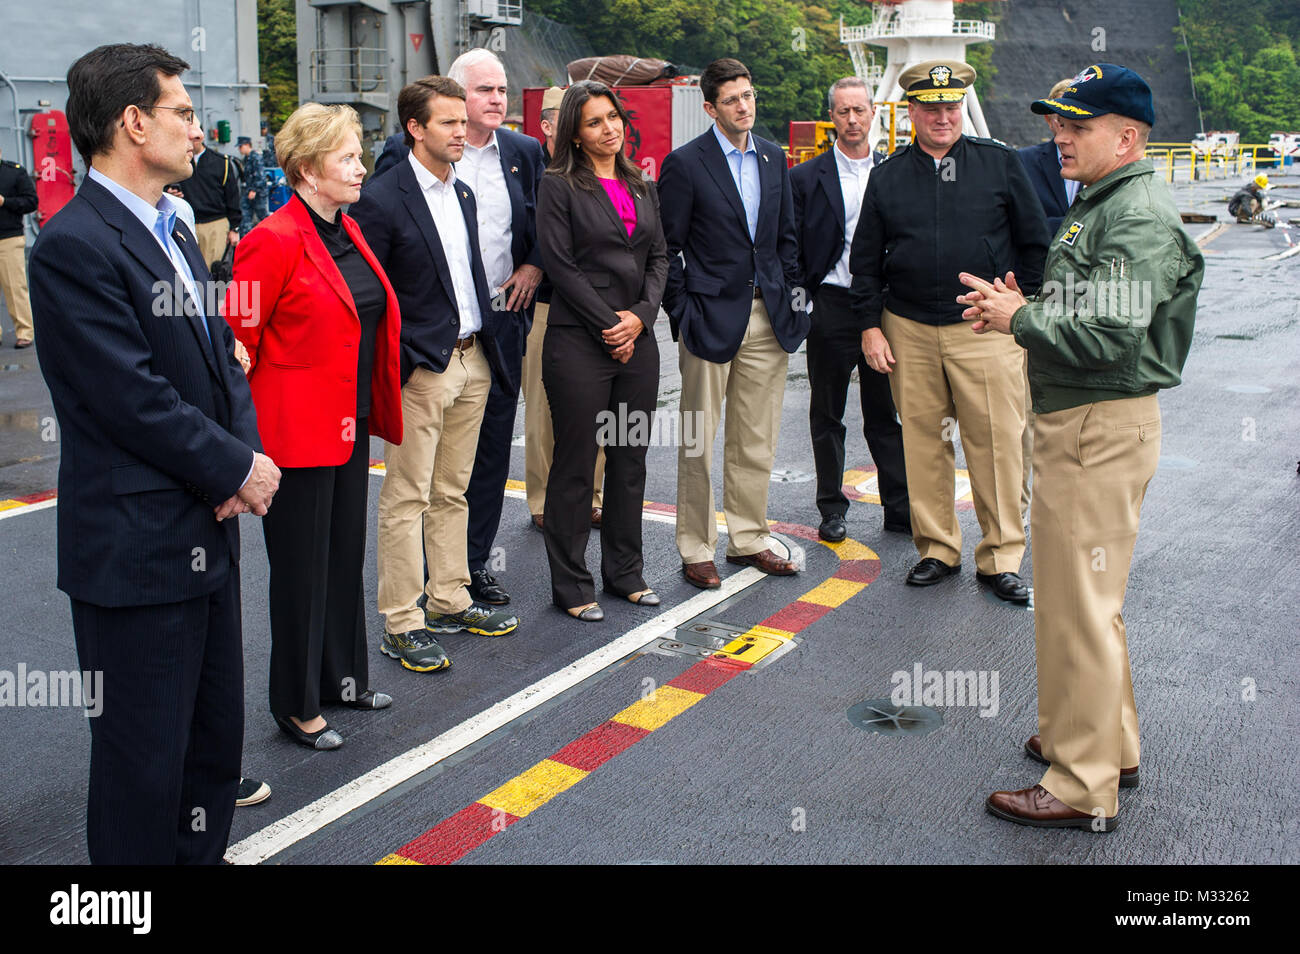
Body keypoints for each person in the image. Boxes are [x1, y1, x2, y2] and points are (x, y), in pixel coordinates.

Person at [27, 43, 279, 863]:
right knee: (142, 770)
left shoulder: (172, 227)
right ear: (134, 122)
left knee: (210, 757)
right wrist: (236, 468)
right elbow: (131, 399)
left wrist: (237, 458)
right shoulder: (74, 247)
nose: (196, 130)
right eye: (181, 111)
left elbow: (220, 361)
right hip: (137, 554)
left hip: (205, 535)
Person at [959, 64, 1203, 830]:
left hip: (1096, 424)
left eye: (1078, 124)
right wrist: (1025, 305)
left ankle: (1080, 784)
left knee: (1080, 611)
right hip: (1084, 419)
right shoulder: (1106, 200)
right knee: (1083, 604)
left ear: (1126, 137)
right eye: (1058, 122)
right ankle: (1102, 742)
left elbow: (1104, 335)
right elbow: (1091, 306)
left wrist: (1017, 321)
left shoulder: (1133, 215)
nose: (1059, 136)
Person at [225, 102, 403, 750]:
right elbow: (234, 344)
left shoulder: (345, 231)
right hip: (294, 437)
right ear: (306, 169)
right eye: (348, 157)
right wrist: (242, 451)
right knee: (300, 573)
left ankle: (343, 678)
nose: (361, 167)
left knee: (342, 556)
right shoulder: (270, 239)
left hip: (347, 427)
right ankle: (296, 704)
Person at [849, 59, 1050, 603]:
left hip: (983, 326)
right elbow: (864, 261)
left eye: (952, 105)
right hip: (908, 327)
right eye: (931, 107)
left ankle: (1002, 556)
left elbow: (1035, 243)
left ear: (961, 106)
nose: (943, 116)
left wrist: (1020, 304)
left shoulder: (1000, 164)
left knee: (998, 444)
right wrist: (870, 326)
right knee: (924, 444)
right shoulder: (888, 176)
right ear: (911, 110)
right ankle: (937, 549)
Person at [350, 76, 520, 663]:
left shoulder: (464, 191)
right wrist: (403, 364)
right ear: (414, 129)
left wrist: (485, 353)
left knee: (453, 490)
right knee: (407, 496)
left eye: (461, 119)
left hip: (474, 358)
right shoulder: (382, 198)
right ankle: (401, 620)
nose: (461, 130)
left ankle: (449, 598)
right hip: (424, 368)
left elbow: (468, 275)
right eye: (447, 122)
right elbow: (371, 294)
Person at [659, 58, 808, 590]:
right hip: (708, 317)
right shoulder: (685, 164)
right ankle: (695, 546)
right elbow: (666, 249)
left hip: (768, 317)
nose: (744, 106)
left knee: (756, 438)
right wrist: (682, 310)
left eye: (748, 96)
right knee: (699, 437)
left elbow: (785, 239)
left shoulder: (773, 157)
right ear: (710, 108)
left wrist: (794, 301)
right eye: (732, 100)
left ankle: (748, 537)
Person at [535, 80, 668, 620]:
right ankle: (571, 586)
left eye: (612, 117)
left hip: (636, 341)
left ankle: (625, 574)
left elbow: (660, 256)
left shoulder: (641, 182)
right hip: (579, 344)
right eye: (594, 121)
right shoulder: (558, 185)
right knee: (574, 465)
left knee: (629, 459)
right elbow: (560, 264)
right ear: (575, 131)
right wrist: (608, 324)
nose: (608, 128)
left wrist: (638, 317)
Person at [790, 77, 909, 543]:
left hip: (884, 306)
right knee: (828, 413)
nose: (852, 119)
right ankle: (831, 509)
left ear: (873, 112)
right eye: (843, 111)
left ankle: (899, 509)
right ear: (832, 117)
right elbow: (792, 245)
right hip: (832, 305)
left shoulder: (895, 172)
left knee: (884, 413)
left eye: (860, 110)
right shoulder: (805, 178)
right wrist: (805, 302)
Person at [525, 85, 606, 532]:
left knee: (597, 413)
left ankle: (592, 495)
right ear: (549, 125)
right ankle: (541, 500)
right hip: (547, 305)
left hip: (596, 309)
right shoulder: (530, 167)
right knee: (543, 411)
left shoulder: (600, 168)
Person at [1016, 78, 1080, 522]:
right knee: (1024, 417)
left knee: (1076, 414)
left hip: (1086, 306)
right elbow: (1024, 229)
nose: (1064, 122)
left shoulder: (1108, 170)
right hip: (1037, 300)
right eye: (1059, 113)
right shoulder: (1022, 164)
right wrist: (1075, 228)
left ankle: (1066, 506)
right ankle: (1020, 511)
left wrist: (1051, 224)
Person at [175, 133, 241, 268]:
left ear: (200, 137)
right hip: (186, 222)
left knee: (213, 271)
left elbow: (232, 197)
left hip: (215, 223)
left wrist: (235, 228)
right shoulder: (176, 163)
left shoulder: (222, 162)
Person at [0, 145, 37, 349]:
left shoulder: (14, 173)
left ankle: (24, 331)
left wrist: (5, 202)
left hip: (8, 238)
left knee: (15, 289)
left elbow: (31, 201)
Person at [236, 135, 268, 235]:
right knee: (245, 214)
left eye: (241, 146)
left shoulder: (256, 158)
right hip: (249, 191)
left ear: (247, 145)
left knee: (262, 215)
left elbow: (261, 177)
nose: (239, 149)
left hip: (258, 193)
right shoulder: (246, 159)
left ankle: (272, 234)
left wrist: (254, 190)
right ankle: (246, 236)